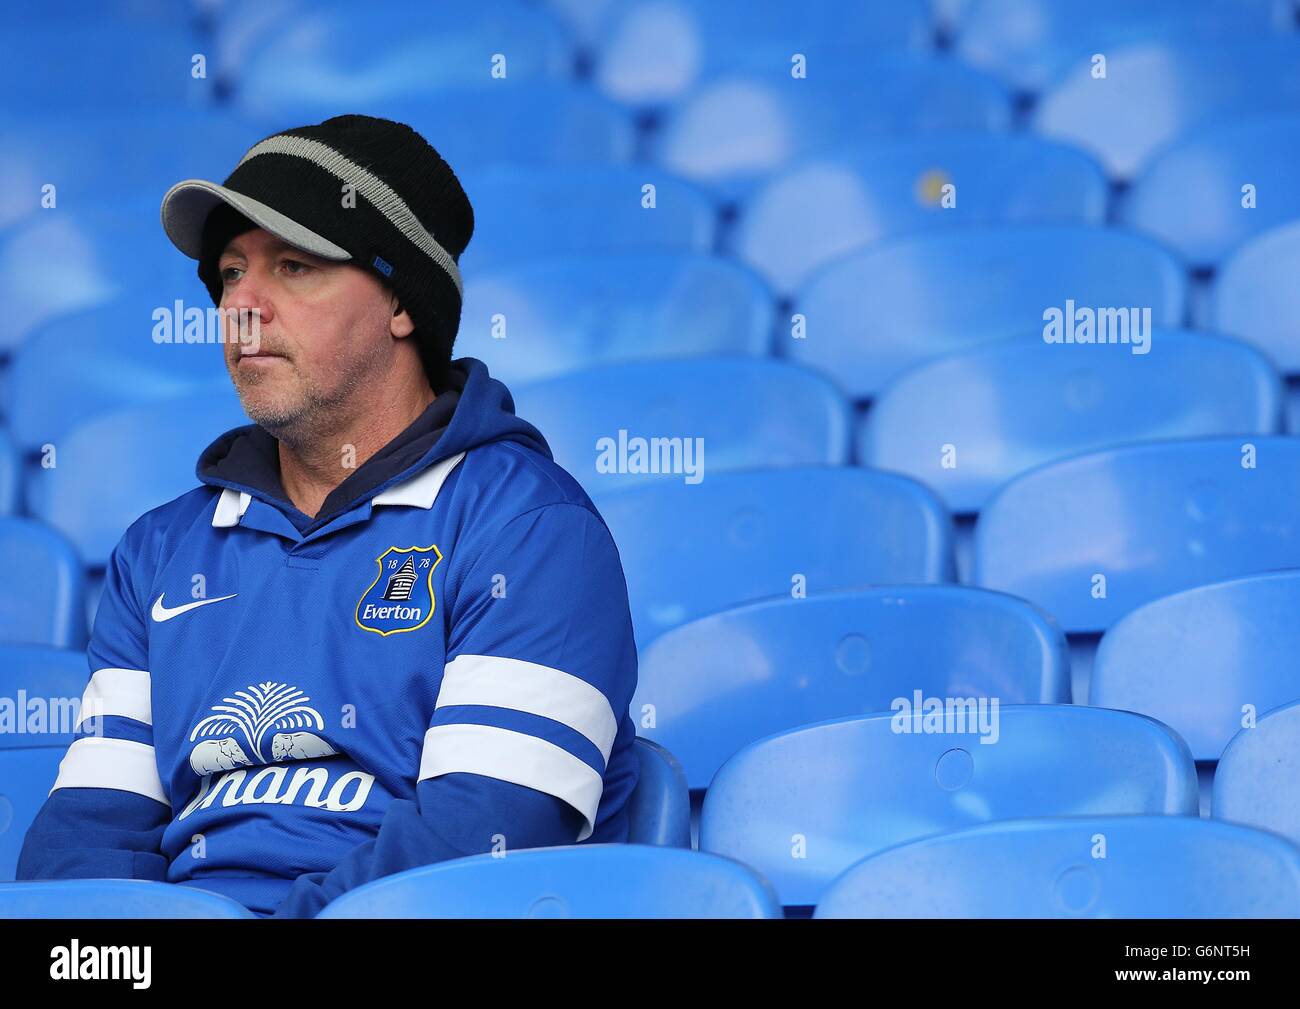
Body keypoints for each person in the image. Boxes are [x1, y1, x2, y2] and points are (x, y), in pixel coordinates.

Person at [16, 114, 640, 918]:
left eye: (295, 266)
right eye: (230, 273)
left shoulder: (529, 527)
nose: (243, 305)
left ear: (402, 304)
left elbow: (480, 844)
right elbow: (87, 838)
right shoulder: (158, 552)